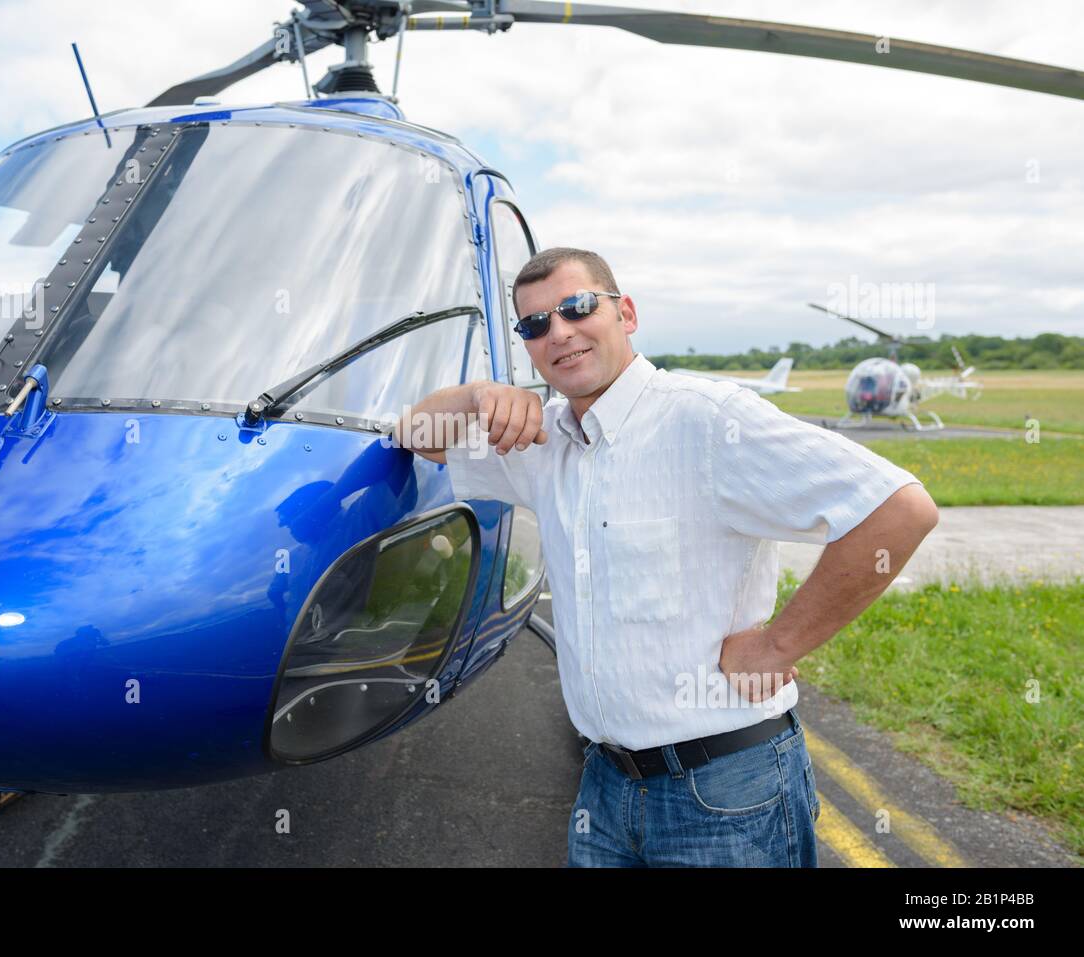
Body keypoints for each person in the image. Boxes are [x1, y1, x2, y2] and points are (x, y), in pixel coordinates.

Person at [391, 246, 939, 867]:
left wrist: (777, 646)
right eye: (536, 324)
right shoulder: (545, 443)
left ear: (624, 313)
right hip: (604, 784)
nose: (559, 332)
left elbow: (899, 509)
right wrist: (476, 395)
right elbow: (411, 436)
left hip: (726, 791)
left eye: (576, 307)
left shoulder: (708, 422)